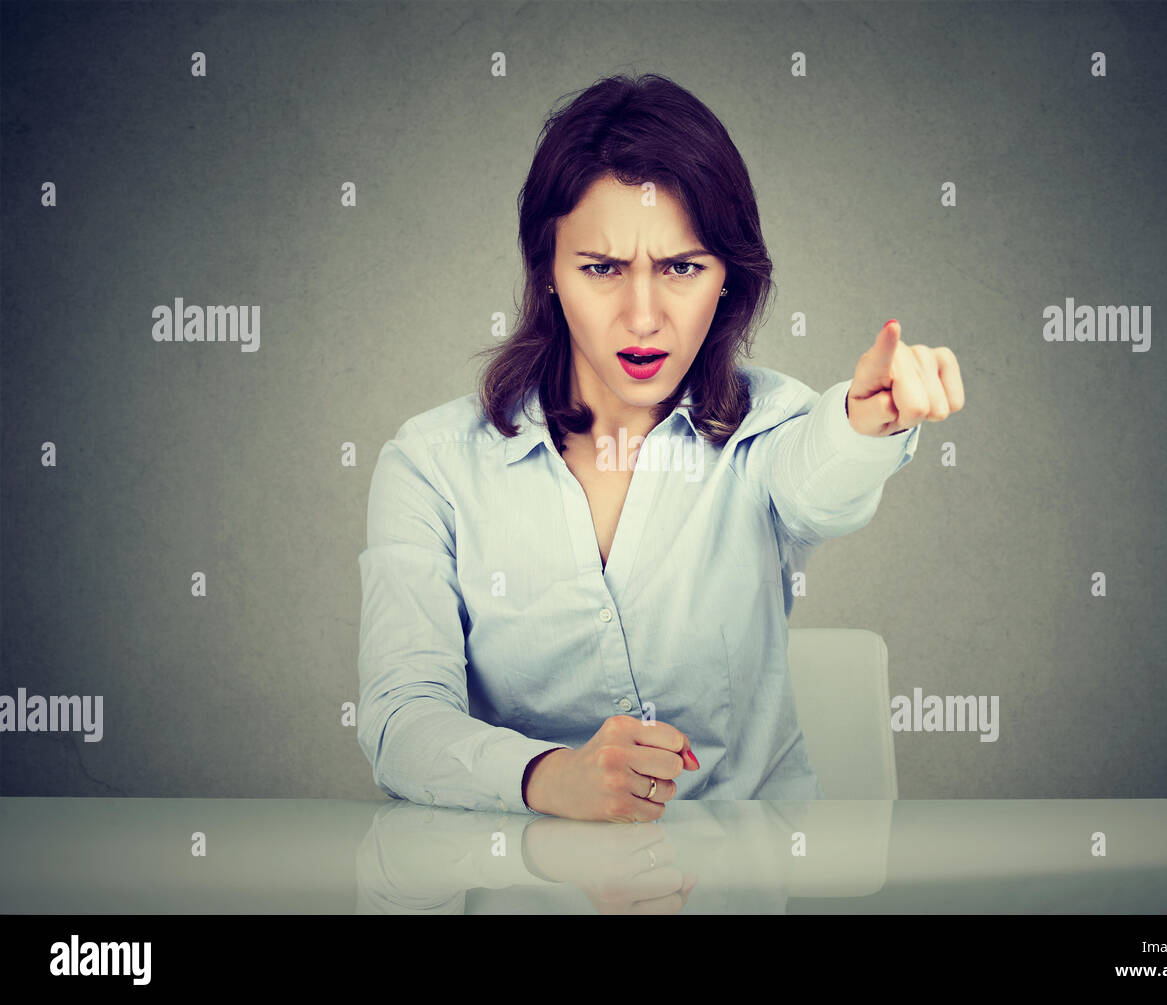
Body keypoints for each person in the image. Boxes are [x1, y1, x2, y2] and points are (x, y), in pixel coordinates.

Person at [357, 73, 963, 824]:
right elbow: (400, 719)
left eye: (681, 267)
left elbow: (821, 476)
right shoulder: (431, 466)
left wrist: (867, 420)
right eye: (602, 268)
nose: (643, 316)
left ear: (726, 281)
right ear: (548, 271)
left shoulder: (768, 429)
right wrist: (553, 778)